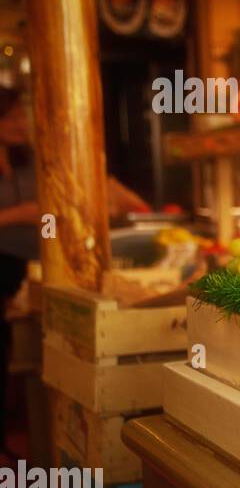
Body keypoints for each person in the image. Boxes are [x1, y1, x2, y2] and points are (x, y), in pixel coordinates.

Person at [0, 90, 149, 447]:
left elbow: (68, 194)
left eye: (24, 116)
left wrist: (111, 195)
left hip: (29, 270)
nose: (23, 124)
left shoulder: (31, 160)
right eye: (13, 117)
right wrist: (17, 215)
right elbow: (31, 213)